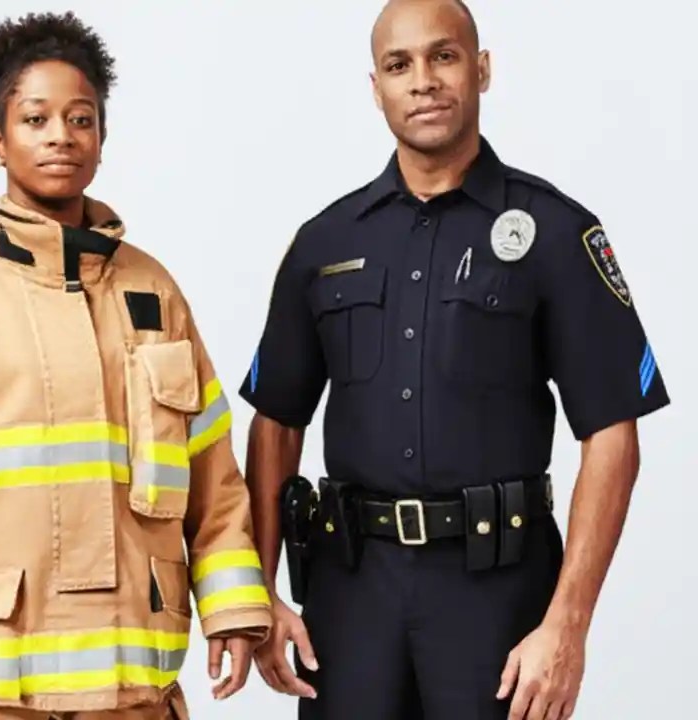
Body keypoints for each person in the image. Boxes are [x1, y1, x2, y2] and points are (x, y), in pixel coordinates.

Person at [238, 1, 670, 719]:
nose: (423, 81)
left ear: (482, 69)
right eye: (399, 65)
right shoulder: (324, 241)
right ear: (375, 87)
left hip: (497, 597)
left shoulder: (557, 233)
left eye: (444, 56)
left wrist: (567, 624)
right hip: (350, 599)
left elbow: (613, 436)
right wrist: (258, 589)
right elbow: (276, 423)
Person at [0, 12, 272, 720]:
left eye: (81, 119)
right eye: (36, 118)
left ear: (102, 139)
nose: (61, 137)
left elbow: (214, 477)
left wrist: (231, 606)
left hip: (134, 690)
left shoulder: (154, 293)